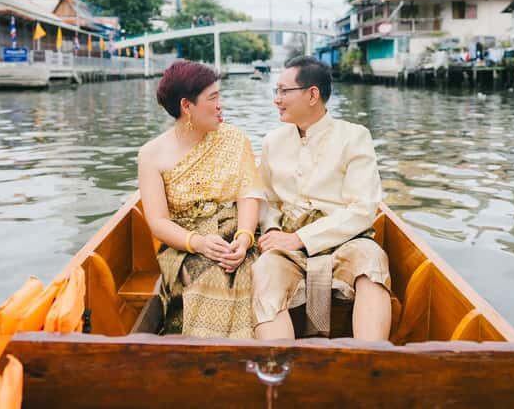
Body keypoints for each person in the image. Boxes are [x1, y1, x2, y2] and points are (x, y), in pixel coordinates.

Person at [253, 56, 392, 341]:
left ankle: (373, 365)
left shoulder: (355, 137)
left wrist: (301, 238)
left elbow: (363, 209)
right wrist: (274, 230)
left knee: (373, 259)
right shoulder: (272, 141)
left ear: (312, 94)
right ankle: (279, 369)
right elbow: (266, 200)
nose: (276, 99)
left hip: (347, 242)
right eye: (275, 91)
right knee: (264, 269)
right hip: (287, 247)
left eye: (283, 91)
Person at [138, 61, 262, 338]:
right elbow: (157, 222)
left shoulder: (235, 138)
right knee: (211, 275)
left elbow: (248, 194)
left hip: (235, 231)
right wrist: (199, 243)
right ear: (187, 106)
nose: (221, 105)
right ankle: (214, 364)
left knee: (247, 271)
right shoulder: (151, 154)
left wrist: (244, 239)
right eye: (213, 98)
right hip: (184, 242)